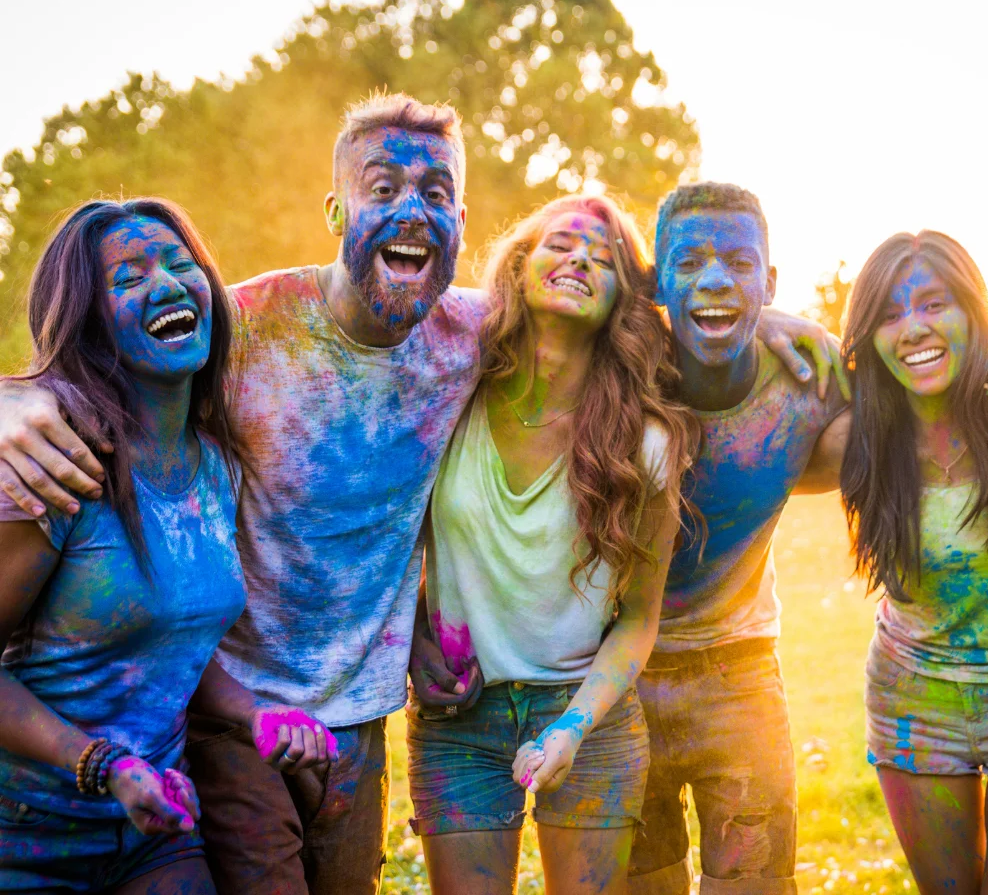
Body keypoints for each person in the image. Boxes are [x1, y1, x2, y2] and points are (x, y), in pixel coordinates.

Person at [0, 95, 844, 895]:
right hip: (238, 711)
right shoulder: (244, 324)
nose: (411, 209)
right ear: (334, 213)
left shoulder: (471, 335)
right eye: (382, 189)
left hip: (361, 724)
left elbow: (649, 312)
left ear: (463, 226)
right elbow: (104, 347)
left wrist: (774, 321)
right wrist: (16, 397)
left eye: (435, 192)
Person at [0, 199, 328, 895]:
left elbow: (167, 641)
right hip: (21, 835)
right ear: (89, 321)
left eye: (183, 264)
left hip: (151, 831)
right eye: (129, 277)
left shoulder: (216, 467)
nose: (168, 283)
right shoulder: (59, 467)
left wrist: (255, 712)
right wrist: (102, 764)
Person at [406, 194, 697, 895]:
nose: (580, 260)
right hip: (458, 721)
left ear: (622, 300)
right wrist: (413, 638)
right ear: (518, 265)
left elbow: (637, 619)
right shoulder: (448, 397)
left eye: (603, 259)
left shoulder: (646, 445)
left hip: (586, 718)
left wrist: (572, 726)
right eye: (560, 245)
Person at [626, 183, 849, 894]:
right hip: (612, 679)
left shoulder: (810, 386)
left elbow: (902, 394)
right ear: (656, 282)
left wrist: (794, 326)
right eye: (688, 262)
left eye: (738, 263)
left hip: (740, 675)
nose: (715, 278)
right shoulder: (617, 376)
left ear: (769, 279)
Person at [804, 231, 988, 892]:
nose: (913, 328)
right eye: (890, 313)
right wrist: (777, 321)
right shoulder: (857, 441)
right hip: (914, 702)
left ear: (973, 310)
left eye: (934, 303)